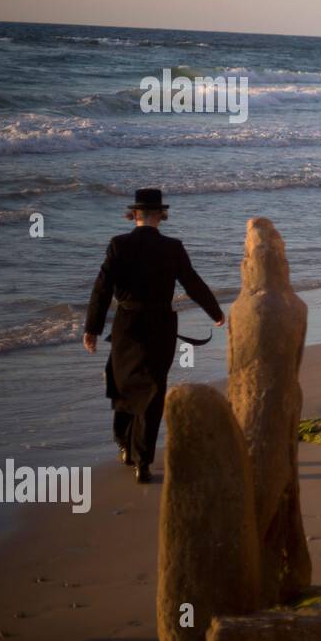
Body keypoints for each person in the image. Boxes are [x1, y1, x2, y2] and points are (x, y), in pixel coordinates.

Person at [82, 189, 225, 483]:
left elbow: (102, 289)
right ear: (160, 215)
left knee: (124, 383)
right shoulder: (173, 247)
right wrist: (216, 312)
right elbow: (193, 283)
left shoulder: (118, 245)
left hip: (127, 325)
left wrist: (92, 329)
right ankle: (142, 461)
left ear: (135, 214)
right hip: (161, 325)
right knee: (153, 389)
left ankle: (124, 444)